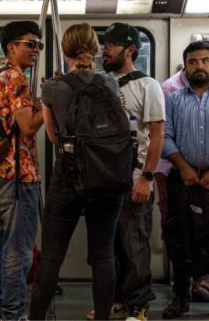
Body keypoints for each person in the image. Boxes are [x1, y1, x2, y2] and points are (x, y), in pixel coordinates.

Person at [29, 23, 125, 321]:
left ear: (64, 50)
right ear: (95, 50)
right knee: (103, 255)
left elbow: (53, 137)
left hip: (67, 178)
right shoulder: (109, 84)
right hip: (106, 176)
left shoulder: (51, 88)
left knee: (52, 255)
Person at [85, 23, 165, 321]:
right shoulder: (98, 83)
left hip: (134, 179)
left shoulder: (148, 86)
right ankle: (115, 300)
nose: (104, 50)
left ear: (130, 49)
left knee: (133, 246)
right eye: (104, 44)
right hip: (104, 179)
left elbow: (156, 135)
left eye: (112, 44)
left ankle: (138, 305)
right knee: (107, 248)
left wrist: (147, 177)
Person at [161, 40, 209, 319]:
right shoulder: (173, 100)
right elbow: (165, 137)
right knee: (180, 235)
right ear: (186, 67)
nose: (199, 66)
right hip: (182, 179)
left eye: (205, 61)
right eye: (193, 62)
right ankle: (181, 296)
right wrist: (183, 167)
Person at [0, 20, 44, 321]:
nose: (36, 49)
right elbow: (27, 127)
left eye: (38, 45)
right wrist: (47, 104)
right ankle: (13, 313)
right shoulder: (16, 78)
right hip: (20, 174)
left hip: (0, 172)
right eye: (30, 44)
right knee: (18, 248)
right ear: (11, 47)